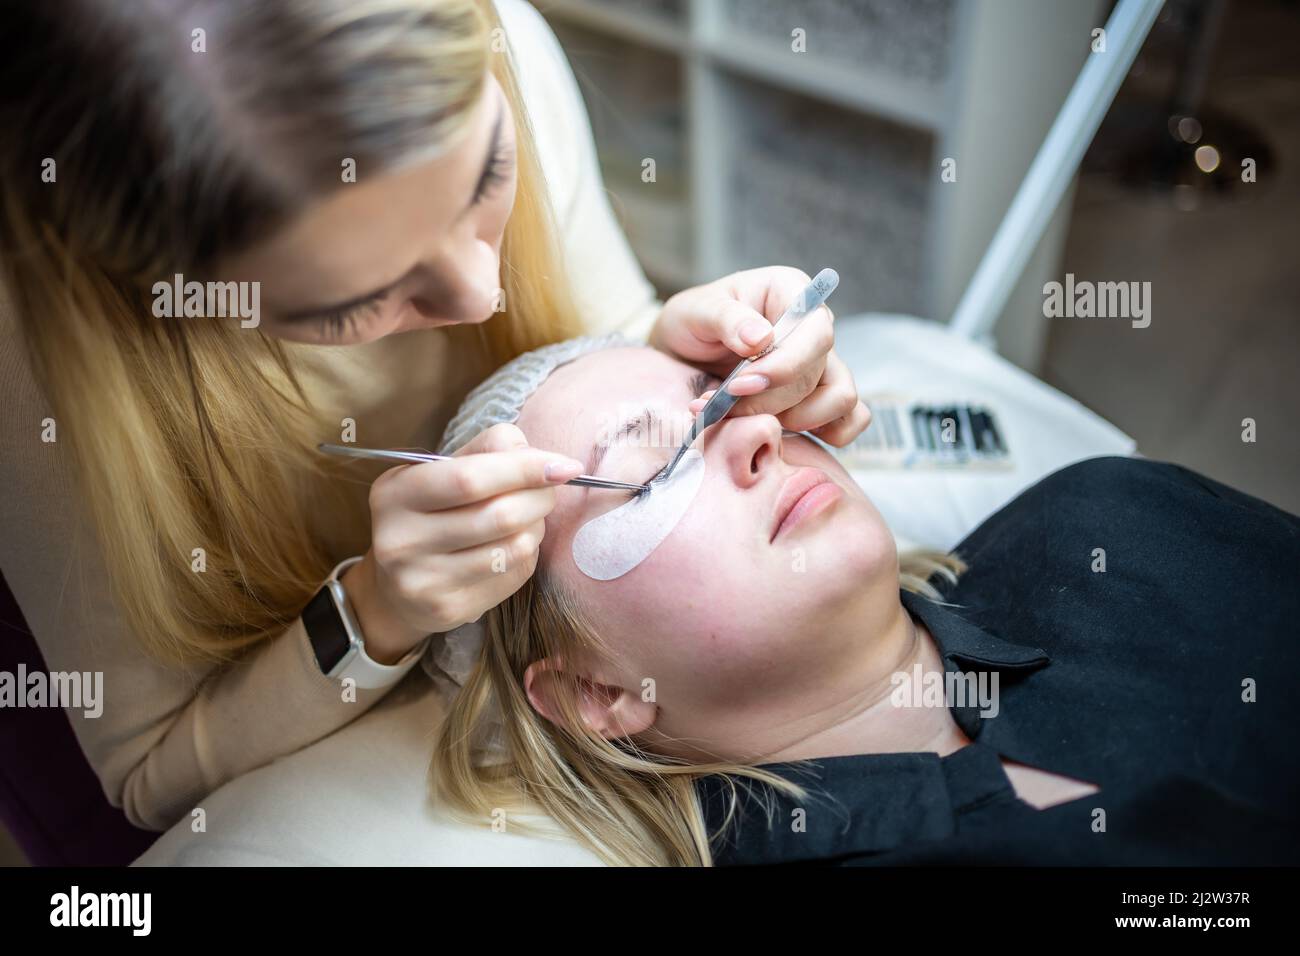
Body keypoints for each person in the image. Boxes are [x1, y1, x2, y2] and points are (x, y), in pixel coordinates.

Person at [0, 0, 869, 833]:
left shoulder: (508, 45)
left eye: (487, 173)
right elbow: (153, 776)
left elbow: (597, 334)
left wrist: (667, 341)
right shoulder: (40, 367)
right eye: (356, 302)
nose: (481, 294)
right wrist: (375, 609)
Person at [428, 335, 1300, 866]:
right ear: (597, 692)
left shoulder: (1105, 517)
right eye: (653, 469)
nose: (763, 432)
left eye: (730, 399)